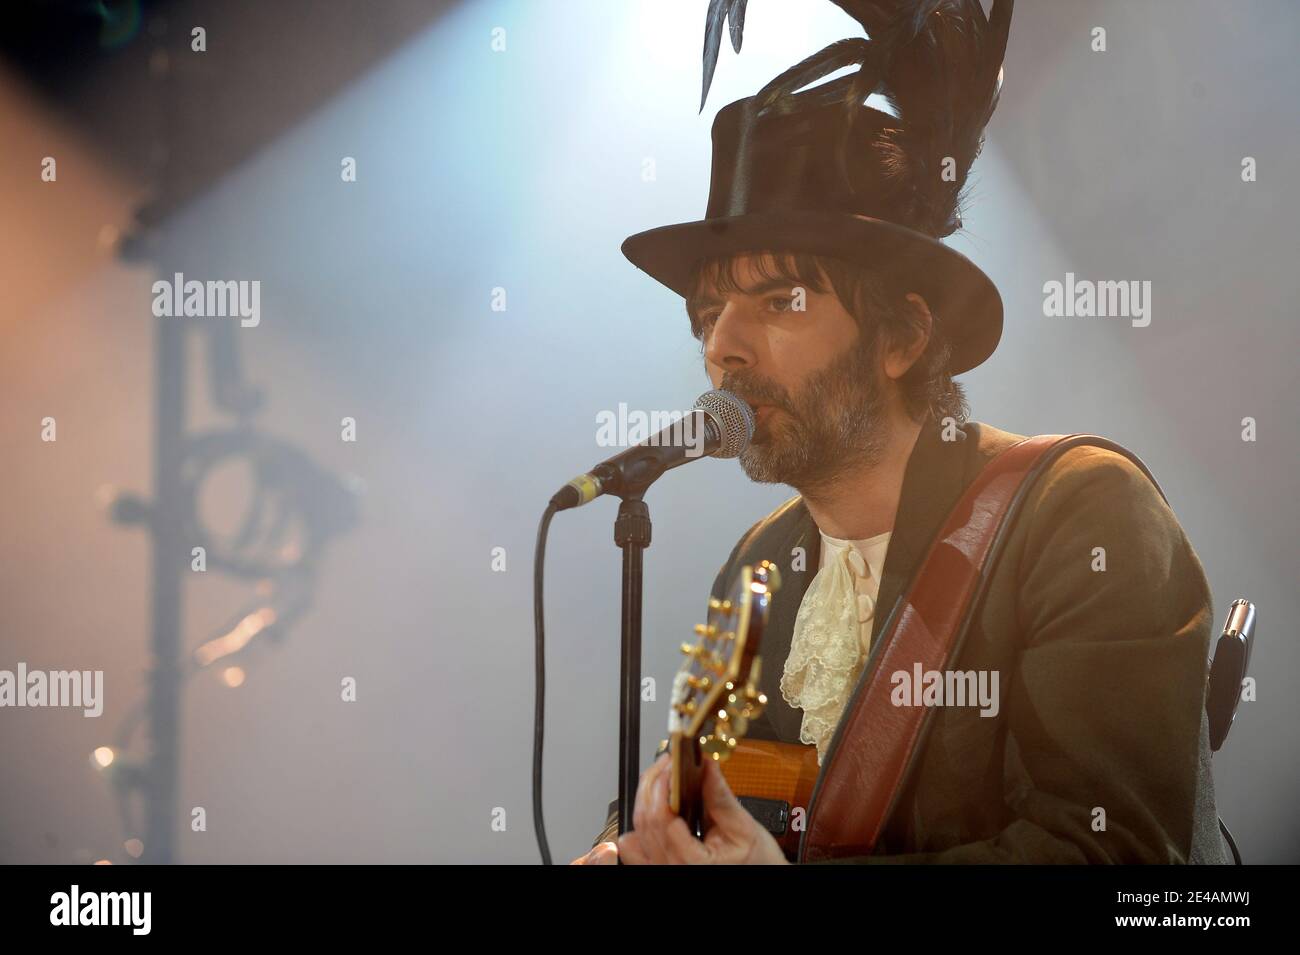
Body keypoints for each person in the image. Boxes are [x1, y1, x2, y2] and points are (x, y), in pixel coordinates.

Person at [572, 0, 1228, 864]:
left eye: (779, 301)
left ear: (904, 335)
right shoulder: (759, 566)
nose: (722, 349)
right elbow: (700, 791)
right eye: (708, 313)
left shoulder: (1084, 517)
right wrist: (630, 845)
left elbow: (1124, 862)